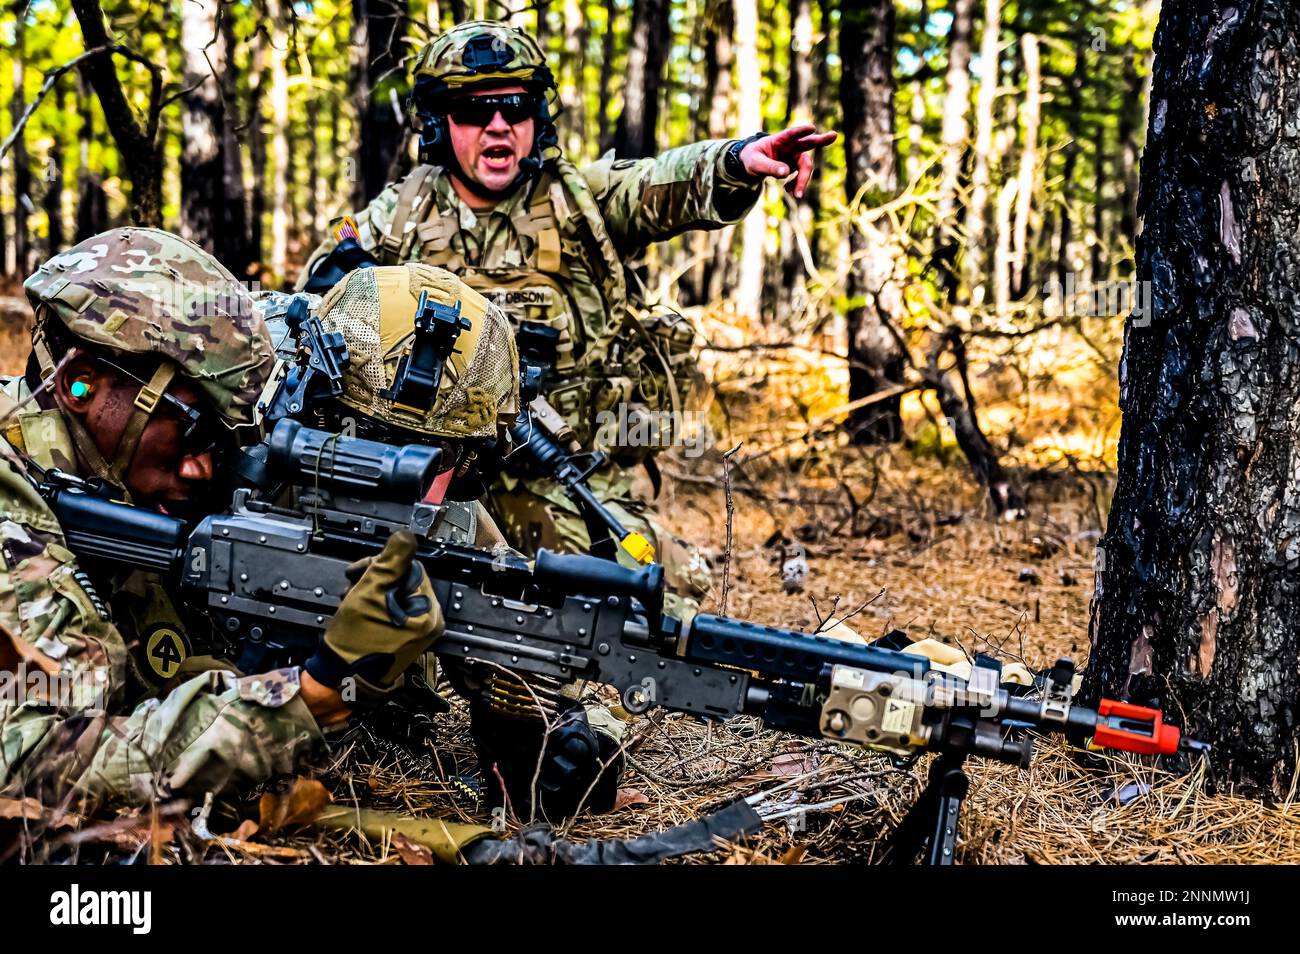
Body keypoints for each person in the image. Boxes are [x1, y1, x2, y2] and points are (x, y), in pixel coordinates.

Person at [299, 19, 837, 618]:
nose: (499, 126)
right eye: (475, 112)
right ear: (439, 123)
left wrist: (737, 160)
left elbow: (661, 184)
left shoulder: (579, 200)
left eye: (516, 107)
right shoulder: (396, 216)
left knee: (663, 592)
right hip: (434, 472)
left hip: (560, 468)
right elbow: (321, 304)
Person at [0, 228, 439, 808]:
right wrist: (303, 699)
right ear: (82, 385)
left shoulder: (104, 484)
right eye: (195, 431)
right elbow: (34, 766)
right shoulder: (14, 503)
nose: (204, 470)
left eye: (228, 443)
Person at [278, 262, 625, 819]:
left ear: (467, 463)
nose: (399, 474)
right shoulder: (240, 473)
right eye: (375, 441)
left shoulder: (449, 521)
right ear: (319, 413)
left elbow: (524, 641)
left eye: (434, 456)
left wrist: (561, 736)